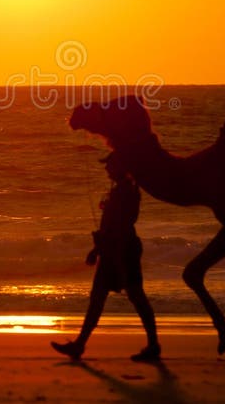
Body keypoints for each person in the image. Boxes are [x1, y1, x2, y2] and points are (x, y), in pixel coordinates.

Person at [51, 152, 161, 361]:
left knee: (135, 296)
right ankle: (80, 344)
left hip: (122, 250)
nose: (106, 168)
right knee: (100, 297)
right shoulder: (123, 189)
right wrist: (97, 249)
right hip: (113, 249)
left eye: (110, 164)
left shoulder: (125, 191)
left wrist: (112, 255)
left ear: (121, 165)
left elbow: (120, 225)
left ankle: (153, 345)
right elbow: (111, 225)